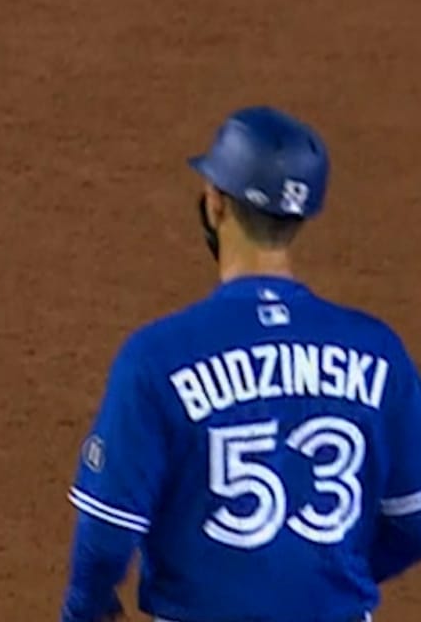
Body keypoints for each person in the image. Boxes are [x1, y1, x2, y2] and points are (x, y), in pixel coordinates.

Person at [59, 105, 421, 622]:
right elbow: (413, 522)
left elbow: (107, 537)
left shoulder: (157, 358)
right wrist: (333, 577)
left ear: (216, 203)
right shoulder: (379, 353)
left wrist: (84, 610)